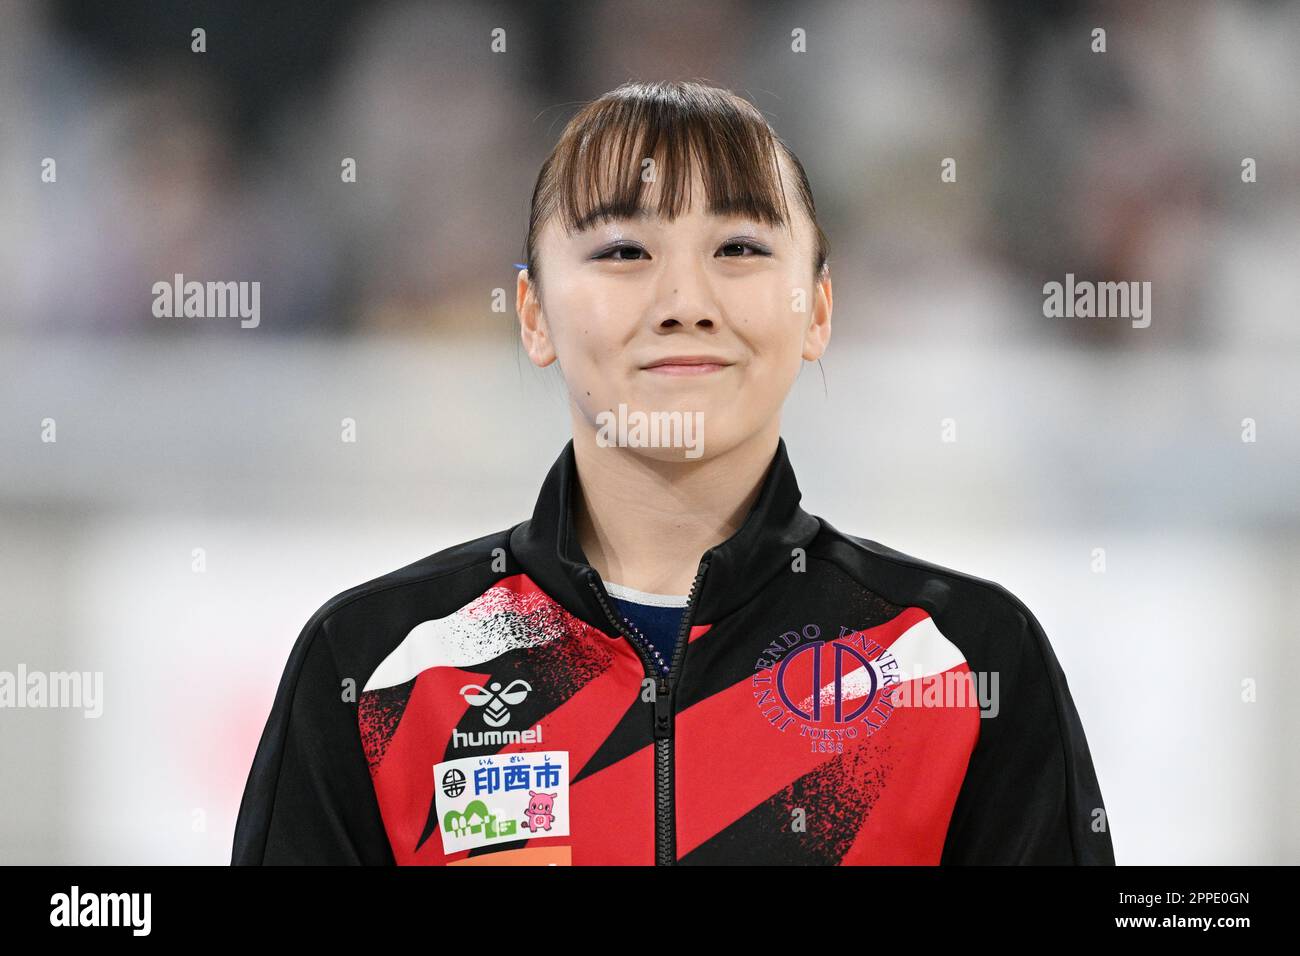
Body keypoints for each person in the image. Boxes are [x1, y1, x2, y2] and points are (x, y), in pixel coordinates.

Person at [231, 79, 1115, 866]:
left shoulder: (959, 664)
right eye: (623, 252)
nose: (686, 304)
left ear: (819, 309)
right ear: (533, 314)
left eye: (739, 249)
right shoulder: (379, 670)